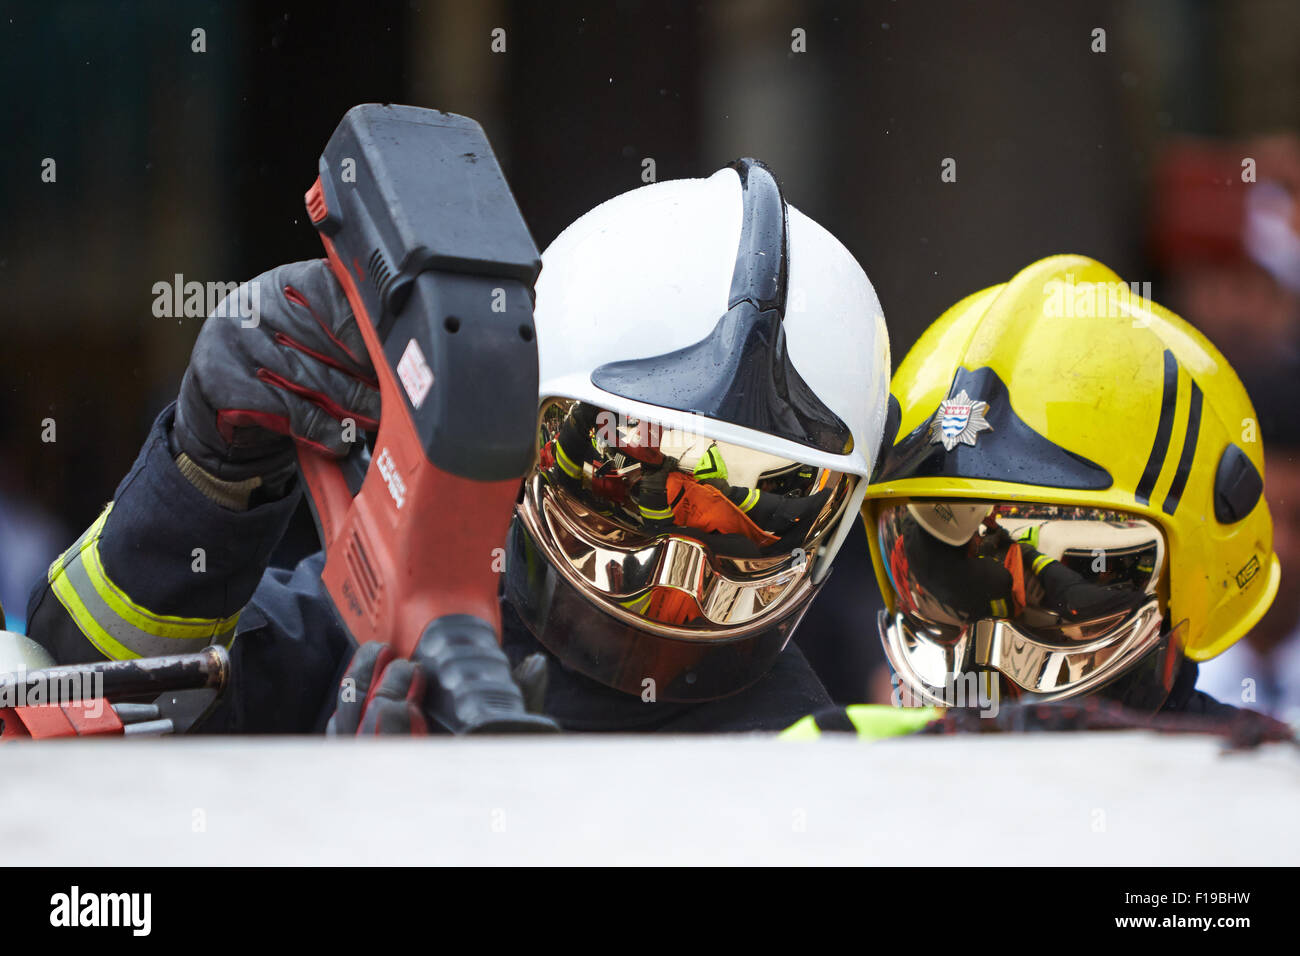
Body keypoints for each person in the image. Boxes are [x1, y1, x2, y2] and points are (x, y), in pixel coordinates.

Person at [26, 159, 892, 733]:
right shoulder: (376, 625)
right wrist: (208, 480)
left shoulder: (820, 783)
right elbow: (70, 703)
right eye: (630, 470)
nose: (678, 577)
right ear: (523, 423)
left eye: (767, 502)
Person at [787, 255, 1289, 740]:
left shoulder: (1260, 786)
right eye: (944, 577)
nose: (987, 657)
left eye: (1085, 561)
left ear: (1198, 565)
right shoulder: (837, 760)